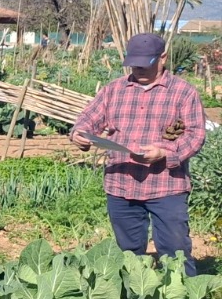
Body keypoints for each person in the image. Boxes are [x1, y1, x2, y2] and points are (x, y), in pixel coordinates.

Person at [71, 32, 206, 276]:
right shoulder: (113, 90)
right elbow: (88, 119)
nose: (139, 69)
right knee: (129, 252)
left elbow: (195, 136)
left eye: (146, 63)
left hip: (166, 186)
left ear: (163, 58)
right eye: (135, 64)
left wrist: (165, 152)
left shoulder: (183, 92)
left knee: (175, 250)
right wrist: (80, 134)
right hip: (121, 185)